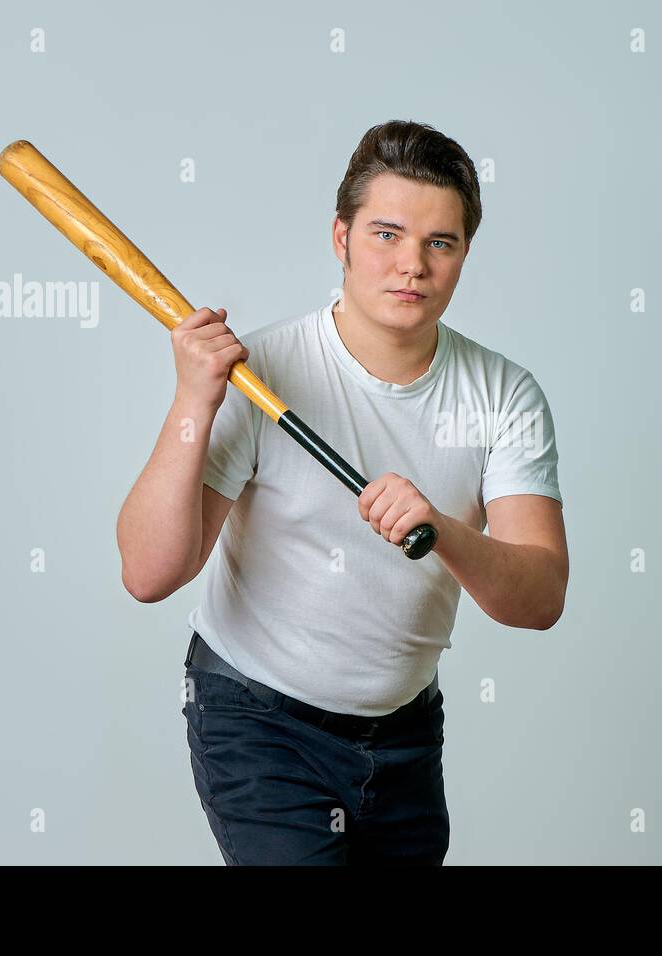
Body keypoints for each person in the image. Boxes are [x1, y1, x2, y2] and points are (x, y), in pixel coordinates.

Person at [116, 119, 568, 865]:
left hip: (404, 734)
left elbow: (540, 597)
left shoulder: (505, 395)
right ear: (341, 239)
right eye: (386, 234)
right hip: (259, 720)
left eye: (440, 243)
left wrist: (443, 530)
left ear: (462, 257)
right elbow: (148, 573)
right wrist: (193, 400)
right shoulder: (262, 371)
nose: (411, 265)